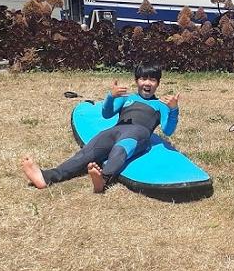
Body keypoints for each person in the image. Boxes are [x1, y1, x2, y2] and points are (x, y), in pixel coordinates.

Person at [22, 64, 179, 193]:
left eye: (152, 80)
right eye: (143, 78)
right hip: (114, 131)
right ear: (136, 81)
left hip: (138, 133)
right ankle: (46, 177)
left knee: (119, 150)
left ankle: (102, 180)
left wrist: (173, 109)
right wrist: (111, 97)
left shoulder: (160, 105)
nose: (147, 83)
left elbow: (168, 130)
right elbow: (107, 114)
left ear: (158, 83)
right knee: (86, 154)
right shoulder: (127, 98)